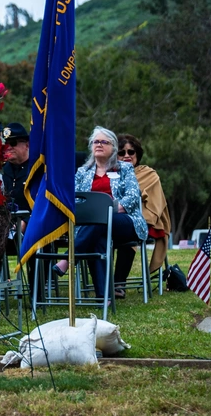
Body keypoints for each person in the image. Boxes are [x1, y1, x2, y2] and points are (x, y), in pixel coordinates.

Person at [53, 127, 147, 300]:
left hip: (125, 221)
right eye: (96, 141)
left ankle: (68, 258)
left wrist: (108, 210)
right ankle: (104, 298)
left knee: (100, 221)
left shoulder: (125, 168)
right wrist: (96, 214)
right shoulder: (82, 172)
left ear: (113, 148)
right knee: (98, 236)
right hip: (94, 226)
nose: (99, 144)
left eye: (104, 142)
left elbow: (133, 197)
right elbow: (75, 199)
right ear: (91, 146)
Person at [117, 133, 172, 280]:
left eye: (131, 152)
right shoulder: (108, 174)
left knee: (129, 231)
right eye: (121, 153)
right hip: (113, 219)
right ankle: (103, 285)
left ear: (137, 154)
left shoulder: (149, 174)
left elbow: (153, 205)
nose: (127, 156)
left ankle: (118, 284)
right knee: (98, 232)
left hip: (144, 221)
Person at [1, 122, 30, 212]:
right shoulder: (1, 170)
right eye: (5, 144)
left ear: (27, 145)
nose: (8, 147)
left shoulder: (37, 170)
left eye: (13, 143)